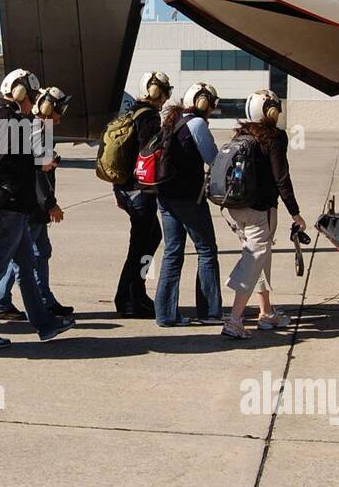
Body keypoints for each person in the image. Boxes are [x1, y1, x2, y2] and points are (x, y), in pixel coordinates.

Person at [0, 69, 75, 349]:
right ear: (20, 93)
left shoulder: (0, 116)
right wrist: (39, 164)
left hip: (9, 209)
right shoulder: (6, 119)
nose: (34, 101)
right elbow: (8, 163)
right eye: (32, 95)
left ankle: (44, 324)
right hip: (5, 210)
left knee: (26, 264)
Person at [220, 90, 308, 340]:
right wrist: (295, 213)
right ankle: (235, 319)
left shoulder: (242, 134)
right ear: (269, 111)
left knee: (261, 257)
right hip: (260, 209)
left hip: (235, 209)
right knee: (254, 258)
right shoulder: (274, 137)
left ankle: (266, 312)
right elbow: (282, 178)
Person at [0, 86, 74, 321]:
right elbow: (37, 173)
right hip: (34, 208)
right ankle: (37, 303)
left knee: (30, 253)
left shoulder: (35, 127)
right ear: (48, 106)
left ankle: (6, 302)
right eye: (59, 108)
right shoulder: (39, 129)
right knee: (29, 256)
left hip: (33, 206)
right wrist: (49, 204)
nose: (61, 114)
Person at [154, 82, 221, 328]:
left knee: (172, 253)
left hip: (165, 195)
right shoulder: (197, 123)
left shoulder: (172, 119)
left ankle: (165, 314)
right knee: (206, 251)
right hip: (188, 197)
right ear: (204, 103)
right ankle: (210, 312)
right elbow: (212, 158)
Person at [114, 71, 171, 318]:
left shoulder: (132, 112)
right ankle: (129, 298)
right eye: (166, 90)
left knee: (146, 240)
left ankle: (135, 293)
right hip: (140, 191)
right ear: (157, 91)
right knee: (141, 245)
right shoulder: (149, 118)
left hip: (126, 188)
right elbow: (150, 155)